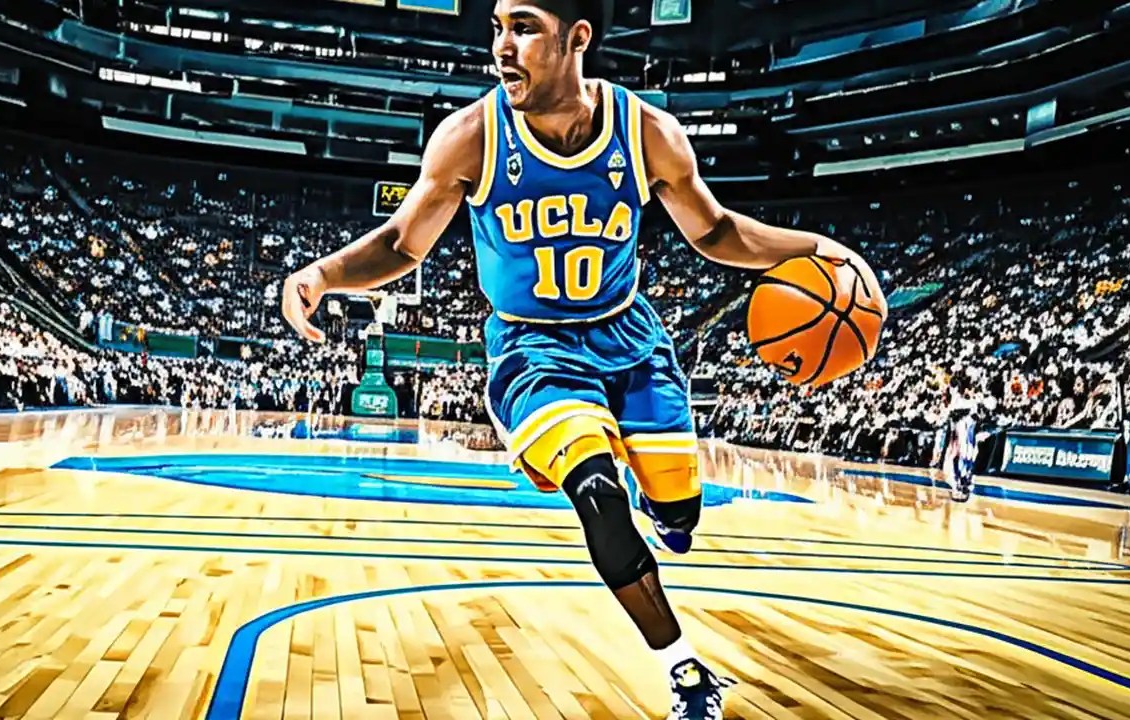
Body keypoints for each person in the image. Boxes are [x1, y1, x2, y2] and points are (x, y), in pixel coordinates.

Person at [280, 1, 884, 716]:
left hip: (629, 340)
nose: (502, 46)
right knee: (597, 493)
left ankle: (668, 507)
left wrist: (818, 247)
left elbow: (716, 231)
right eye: (497, 27)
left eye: (524, 27)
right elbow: (401, 243)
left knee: (679, 512)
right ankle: (685, 670)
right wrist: (322, 274)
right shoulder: (470, 137)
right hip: (534, 348)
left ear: (577, 38)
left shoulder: (647, 131)